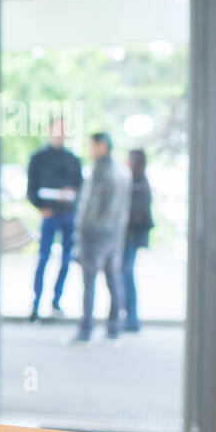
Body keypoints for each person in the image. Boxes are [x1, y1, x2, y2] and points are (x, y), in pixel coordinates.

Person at [73, 132, 130, 342]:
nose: (90, 151)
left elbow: (91, 204)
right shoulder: (123, 171)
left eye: (92, 146)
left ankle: (85, 330)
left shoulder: (100, 170)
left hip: (94, 233)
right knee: (114, 279)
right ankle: (114, 329)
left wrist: (80, 227)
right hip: (115, 234)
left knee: (89, 281)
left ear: (102, 146)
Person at [26, 117, 82, 321]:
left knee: (66, 259)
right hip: (49, 214)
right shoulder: (39, 158)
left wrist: (71, 197)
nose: (61, 132)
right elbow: (31, 189)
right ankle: (36, 304)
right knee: (43, 258)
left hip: (68, 214)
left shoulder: (72, 159)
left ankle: (56, 301)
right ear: (50, 130)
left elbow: (80, 188)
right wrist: (41, 207)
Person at [121, 149, 154, 333]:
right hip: (131, 236)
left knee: (126, 274)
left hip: (131, 237)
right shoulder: (139, 181)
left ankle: (131, 318)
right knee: (125, 274)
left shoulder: (138, 183)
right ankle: (129, 317)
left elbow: (139, 214)